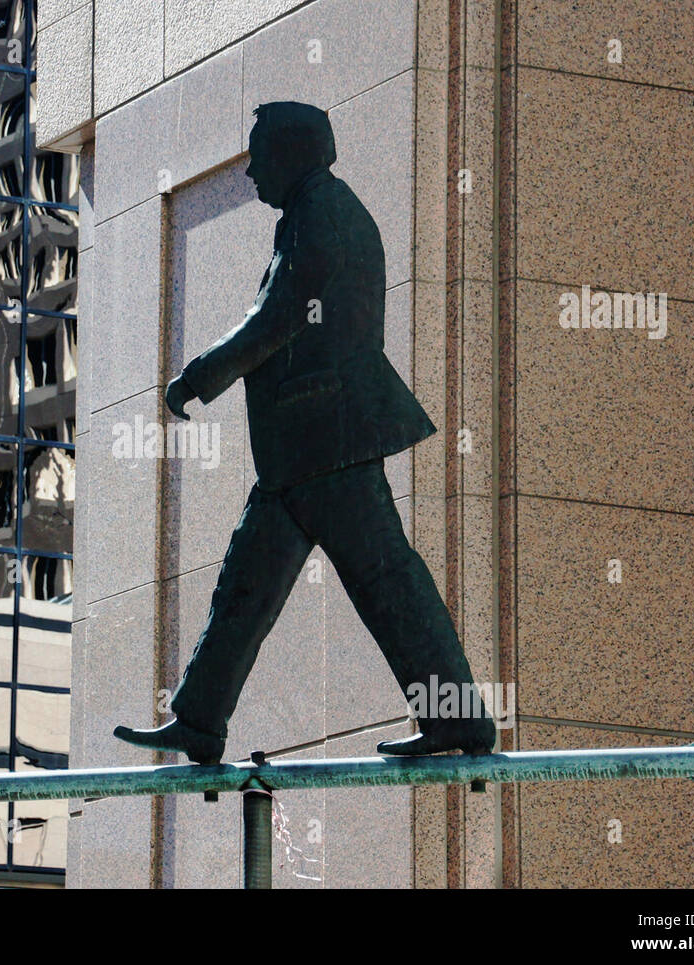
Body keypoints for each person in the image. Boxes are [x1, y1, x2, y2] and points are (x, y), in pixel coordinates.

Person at [113, 102, 495, 764]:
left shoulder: (324, 214)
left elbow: (280, 316)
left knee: (384, 584)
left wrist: (200, 376)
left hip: (329, 446)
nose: (253, 169)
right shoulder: (314, 213)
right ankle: (200, 719)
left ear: (296, 152)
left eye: (261, 153)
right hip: (305, 450)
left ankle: (456, 718)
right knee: (249, 583)